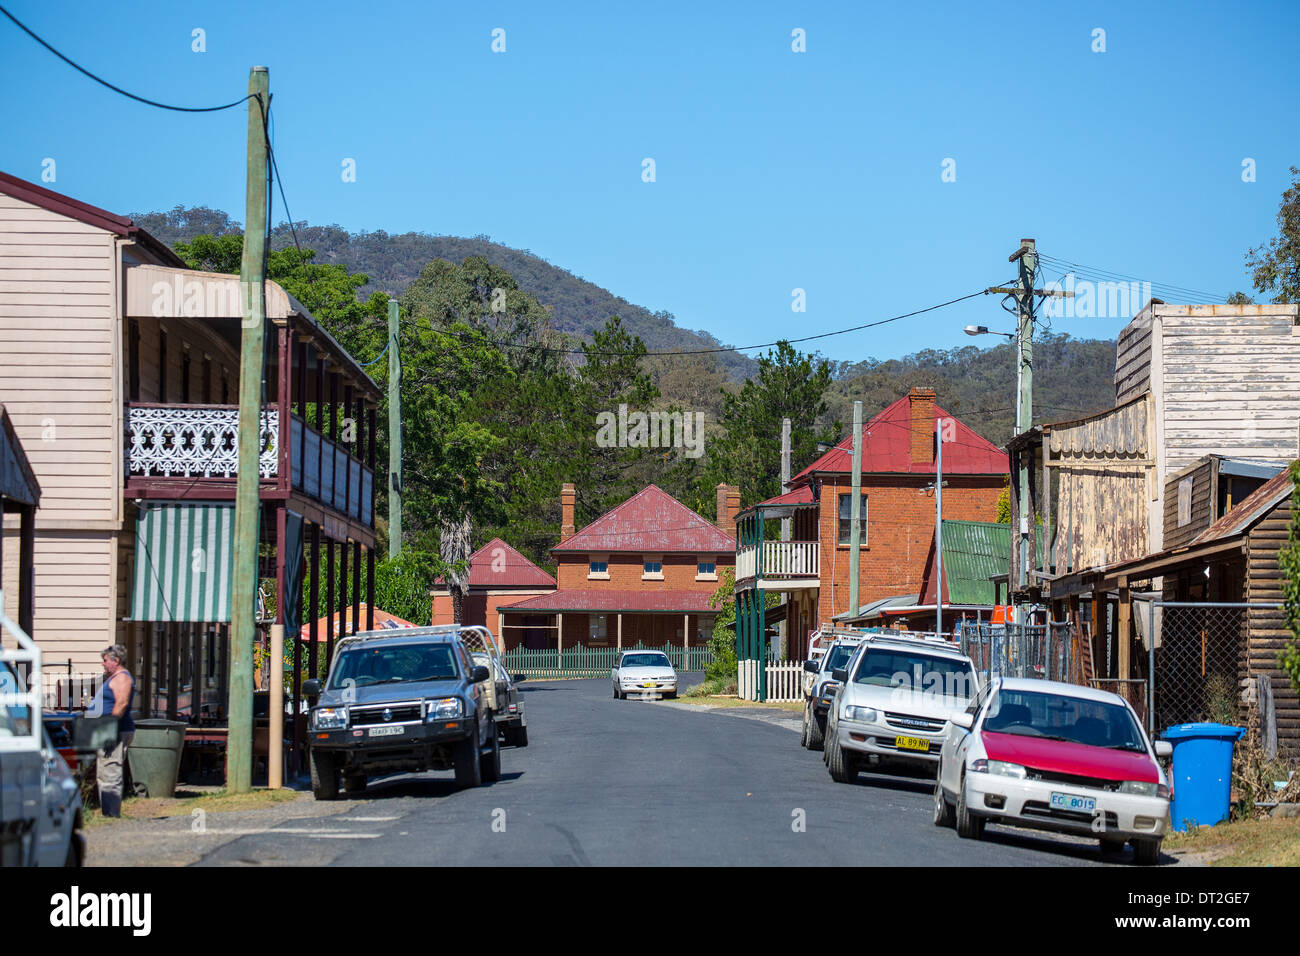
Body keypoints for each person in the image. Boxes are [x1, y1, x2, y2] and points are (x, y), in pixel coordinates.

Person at [92, 645, 136, 818]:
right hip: (110, 731)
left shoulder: (122, 678)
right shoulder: (115, 678)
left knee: (110, 772)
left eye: (105, 661)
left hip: (115, 732)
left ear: (115, 660)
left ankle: (111, 815)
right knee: (104, 773)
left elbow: (122, 703)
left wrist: (109, 727)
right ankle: (108, 812)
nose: (103, 664)